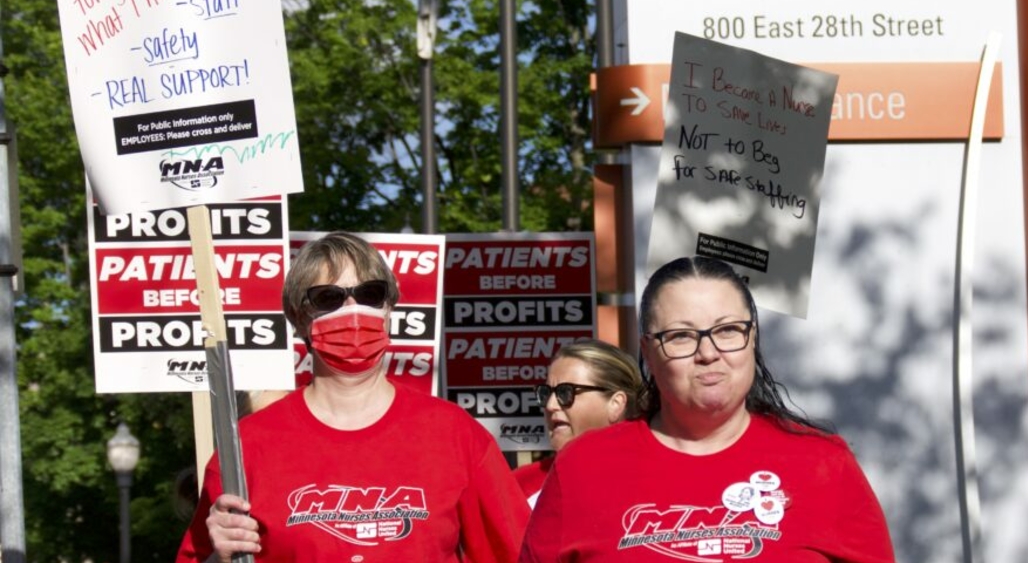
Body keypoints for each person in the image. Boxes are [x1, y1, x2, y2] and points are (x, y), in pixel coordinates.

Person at [177, 231, 529, 563]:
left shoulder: (454, 434)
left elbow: (517, 553)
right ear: (299, 318)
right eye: (328, 298)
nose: (352, 309)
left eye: (369, 294)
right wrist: (219, 558)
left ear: (389, 308)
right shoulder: (247, 446)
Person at [519, 256, 895, 562]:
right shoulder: (583, 466)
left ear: (752, 339)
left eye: (728, 330)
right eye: (681, 336)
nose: (709, 353)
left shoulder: (825, 463)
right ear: (648, 352)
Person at [513, 339, 642, 506]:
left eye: (566, 392)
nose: (550, 405)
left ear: (616, 404)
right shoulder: (519, 486)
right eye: (545, 393)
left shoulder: (660, 477)